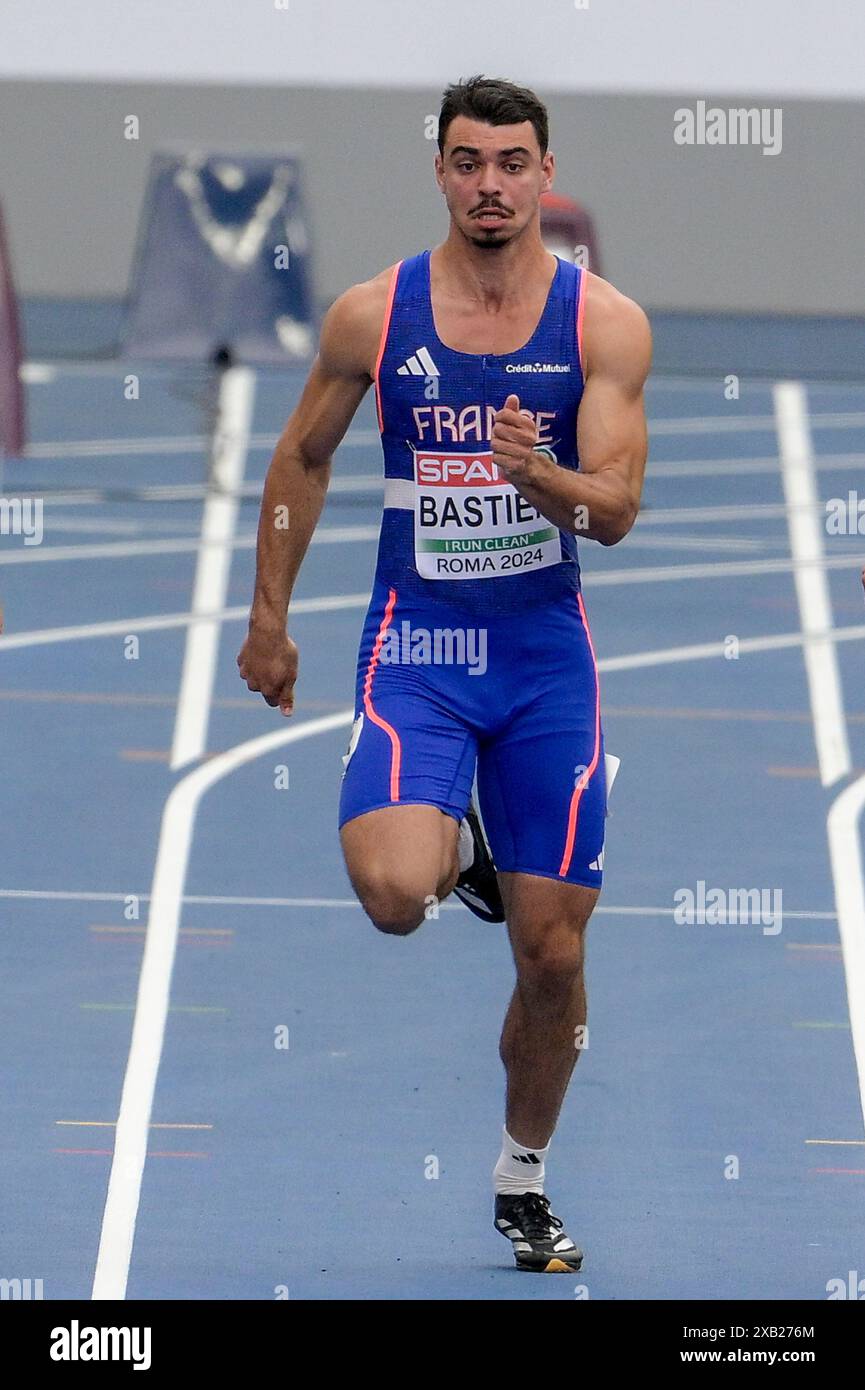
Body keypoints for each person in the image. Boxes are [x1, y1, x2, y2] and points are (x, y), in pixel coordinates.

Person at [238, 74, 651, 1272]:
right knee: (393, 895)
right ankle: (461, 849)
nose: (489, 185)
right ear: (439, 170)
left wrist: (547, 484)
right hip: (416, 651)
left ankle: (523, 1178)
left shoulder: (602, 325)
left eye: (511, 163)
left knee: (553, 955)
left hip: (540, 663)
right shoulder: (376, 315)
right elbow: (301, 456)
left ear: (543, 172)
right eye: (468, 162)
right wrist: (269, 620)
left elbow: (616, 510)